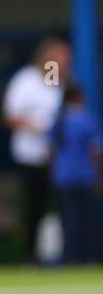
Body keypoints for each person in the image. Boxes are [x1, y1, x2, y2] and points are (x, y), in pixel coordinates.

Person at [4, 37, 72, 262]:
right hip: (30, 156)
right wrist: (39, 128)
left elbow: (61, 113)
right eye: (61, 56)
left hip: (57, 157)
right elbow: (11, 116)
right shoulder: (26, 80)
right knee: (33, 207)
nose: (65, 61)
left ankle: (68, 255)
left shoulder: (59, 83)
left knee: (64, 207)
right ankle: (30, 258)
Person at [49, 83, 102, 264]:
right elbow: (95, 151)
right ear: (80, 98)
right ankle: (90, 257)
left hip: (64, 176)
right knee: (88, 219)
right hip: (85, 175)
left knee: (69, 219)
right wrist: (98, 175)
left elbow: (52, 151)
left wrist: (54, 173)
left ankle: (71, 257)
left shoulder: (59, 121)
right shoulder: (88, 120)